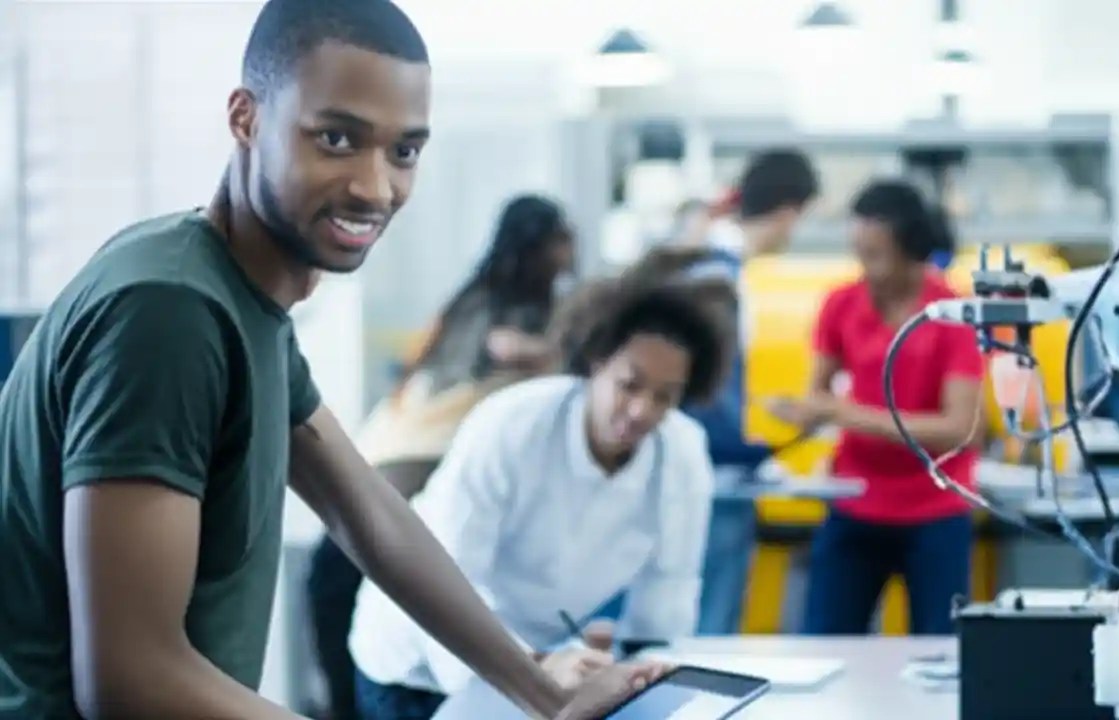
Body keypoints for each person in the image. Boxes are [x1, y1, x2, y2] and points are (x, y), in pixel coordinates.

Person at [0, 2, 660, 719]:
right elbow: (130, 679)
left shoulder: (238, 301)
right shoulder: (169, 309)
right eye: (337, 139)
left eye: (403, 152)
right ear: (246, 118)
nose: (376, 188)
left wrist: (541, 688)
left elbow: (369, 514)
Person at [348, 283, 726, 718]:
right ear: (596, 361)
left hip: (535, 667)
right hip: (415, 656)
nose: (643, 410)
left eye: (665, 396)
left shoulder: (682, 454)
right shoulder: (513, 423)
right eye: (629, 384)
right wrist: (537, 669)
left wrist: (640, 673)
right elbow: (451, 574)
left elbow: (668, 591)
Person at [307, 194, 574, 720]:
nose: (568, 253)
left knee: (340, 587)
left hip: (400, 467)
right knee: (347, 587)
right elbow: (493, 354)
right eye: (561, 240)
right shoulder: (505, 309)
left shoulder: (481, 303)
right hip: (404, 466)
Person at [765, 179, 984, 636]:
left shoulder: (951, 313)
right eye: (860, 253)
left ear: (911, 248)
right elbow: (817, 399)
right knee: (825, 642)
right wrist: (790, 422)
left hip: (936, 509)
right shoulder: (841, 304)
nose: (866, 268)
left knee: (941, 655)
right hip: (855, 503)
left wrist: (842, 413)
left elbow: (961, 428)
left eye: (877, 255)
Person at [684, 149, 820, 634]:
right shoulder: (717, 276)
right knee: (710, 629)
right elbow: (706, 391)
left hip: (704, 471)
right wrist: (754, 452)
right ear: (789, 212)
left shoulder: (706, 263)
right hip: (712, 479)